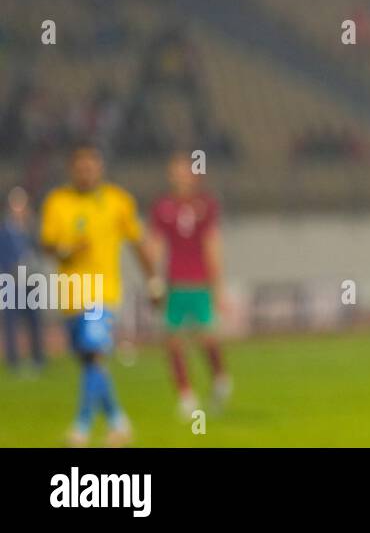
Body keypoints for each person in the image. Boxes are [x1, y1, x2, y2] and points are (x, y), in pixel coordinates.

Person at [40, 142, 162, 446]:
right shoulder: (57, 202)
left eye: (91, 166)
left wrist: (154, 282)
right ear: (72, 170)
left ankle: (80, 428)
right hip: (70, 296)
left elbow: (138, 243)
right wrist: (66, 250)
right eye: (80, 167)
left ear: (100, 168)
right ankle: (119, 422)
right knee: (90, 363)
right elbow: (48, 244)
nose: (86, 172)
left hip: (102, 295)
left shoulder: (118, 201)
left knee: (95, 354)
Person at [149, 151, 231, 416]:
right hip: (175, 283)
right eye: (175, 173)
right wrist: (155, 281)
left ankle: (220, 377)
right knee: (172, 342)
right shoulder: (163, 207)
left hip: (200, 283)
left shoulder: (205, 205)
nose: (180, 178)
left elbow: (212, 245)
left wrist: (218, 286)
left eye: (185, 173)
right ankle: (186, 396)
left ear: (195, 176)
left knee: (206, 338)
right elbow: (156, 246)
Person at [1, 186, 46, 373]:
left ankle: (38, 357)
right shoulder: (4, 230)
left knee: (34, 319)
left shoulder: (30, 228)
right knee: (11, 321)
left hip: (30, 281)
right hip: (11, 282)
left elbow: (39, 250)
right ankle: (13, 359)